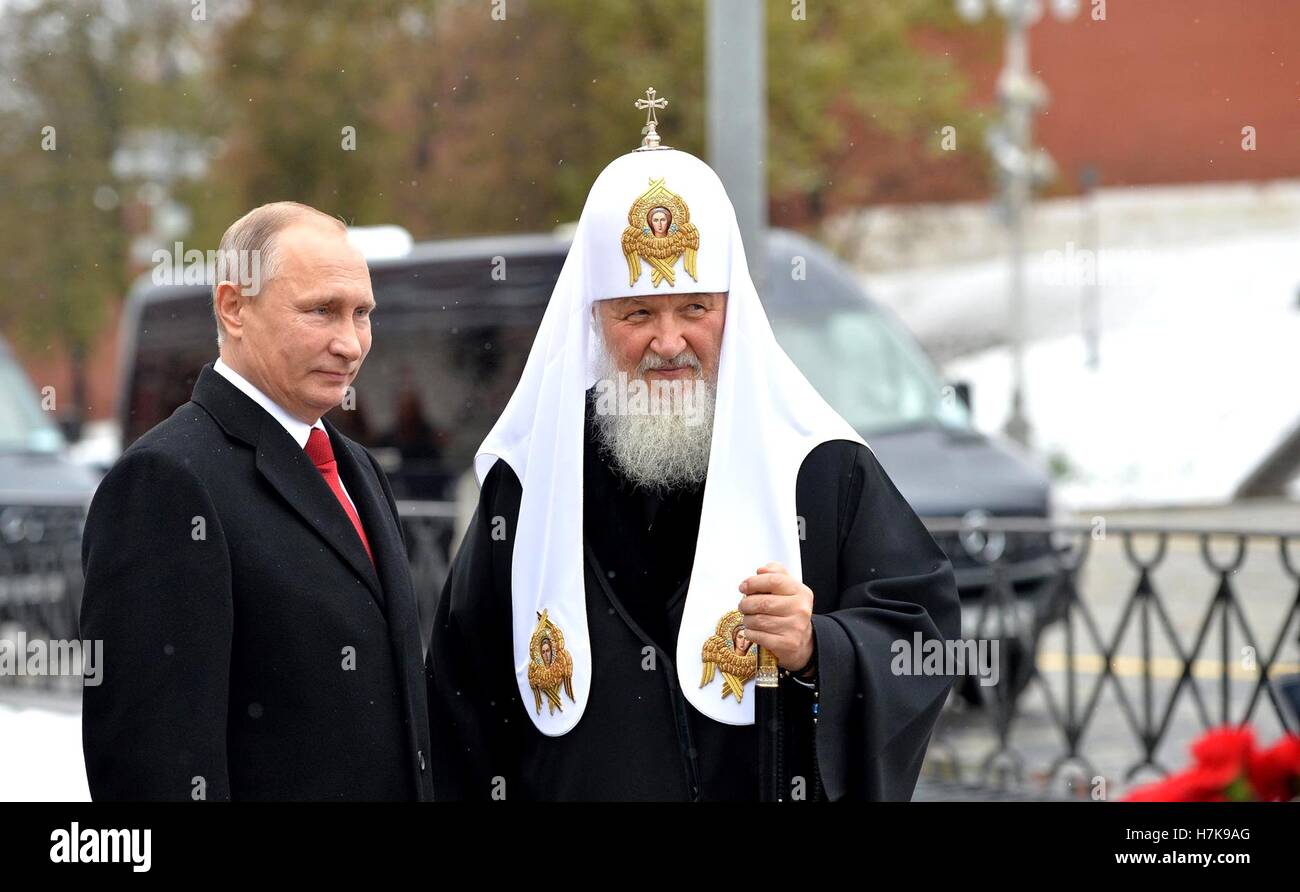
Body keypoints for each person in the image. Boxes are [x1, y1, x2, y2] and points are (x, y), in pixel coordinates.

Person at [426, 97, 961, 801]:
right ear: (597, 318)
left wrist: (816, 649)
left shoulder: (818, 464)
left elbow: (921, 639)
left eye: (695, 310)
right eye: (639, 313)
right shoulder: (530, 480)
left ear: (731, 311)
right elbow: (463, 697)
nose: (669, 343)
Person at [80, 201, 433, 801]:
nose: (350, 344)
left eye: (362, 314)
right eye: (321, 311)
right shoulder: (165, 481)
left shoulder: (358, 467)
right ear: (234, 307)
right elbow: (151, 766)